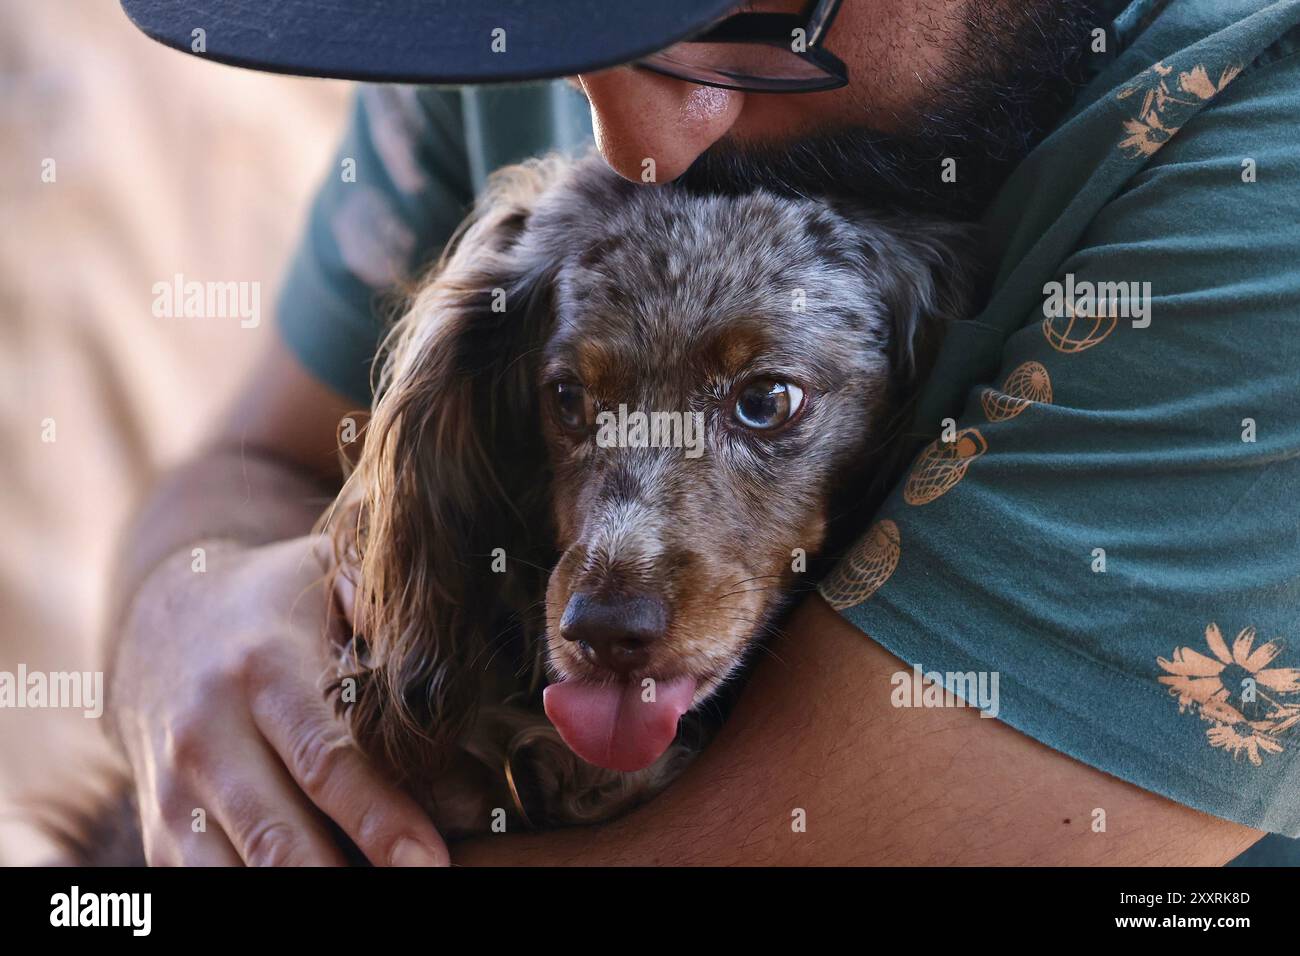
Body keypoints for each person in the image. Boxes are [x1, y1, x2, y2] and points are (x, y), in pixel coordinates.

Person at [109, 0, 1300, 865]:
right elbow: (255, 463)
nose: (628, 142)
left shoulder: (1265, 176)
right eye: (572, 22)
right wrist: (182, 609)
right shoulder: (474, 31)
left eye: (749, 9)